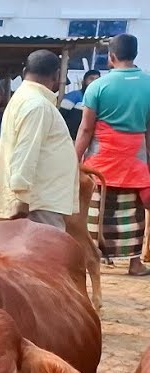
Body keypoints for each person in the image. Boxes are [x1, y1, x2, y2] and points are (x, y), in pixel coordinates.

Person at [76, 33, 150, 275]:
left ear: (112, 56)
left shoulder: (98, 86)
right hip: (135, 159)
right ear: (135, 54)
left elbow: (86, 128)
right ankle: (135, 263)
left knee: (97, 212)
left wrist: (74, 159)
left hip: (101, 161)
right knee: (133, 214)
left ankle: (93, 259)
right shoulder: (148, 84)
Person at [0, 50, 78, 229]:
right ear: (56, 76)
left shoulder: (23, 99)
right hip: (38, 201)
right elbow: (26, 152)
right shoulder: (38, 105)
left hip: (39, 199)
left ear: (24, 72)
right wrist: (21, 198)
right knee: (47, 246)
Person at [62, 69, 102, 139]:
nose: (94, 82)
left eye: (97, 79)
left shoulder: (101, 100)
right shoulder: (74, 96)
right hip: (71, 138)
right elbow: (61, 116)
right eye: (91, 79)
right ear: (83, 82)